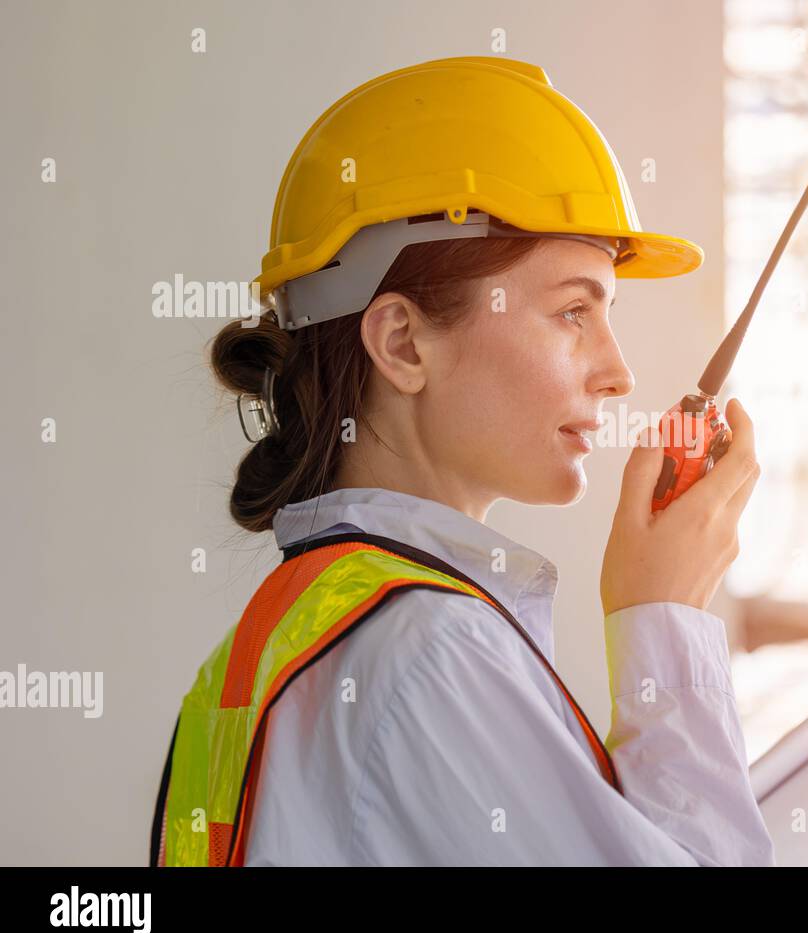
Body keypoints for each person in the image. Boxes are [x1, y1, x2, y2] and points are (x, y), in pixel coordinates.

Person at [150, 55, 773, 866]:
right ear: (403, 343)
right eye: (573, 311)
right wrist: (664, 616)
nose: (618, 371)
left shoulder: (277, 641)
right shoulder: (428, 651)